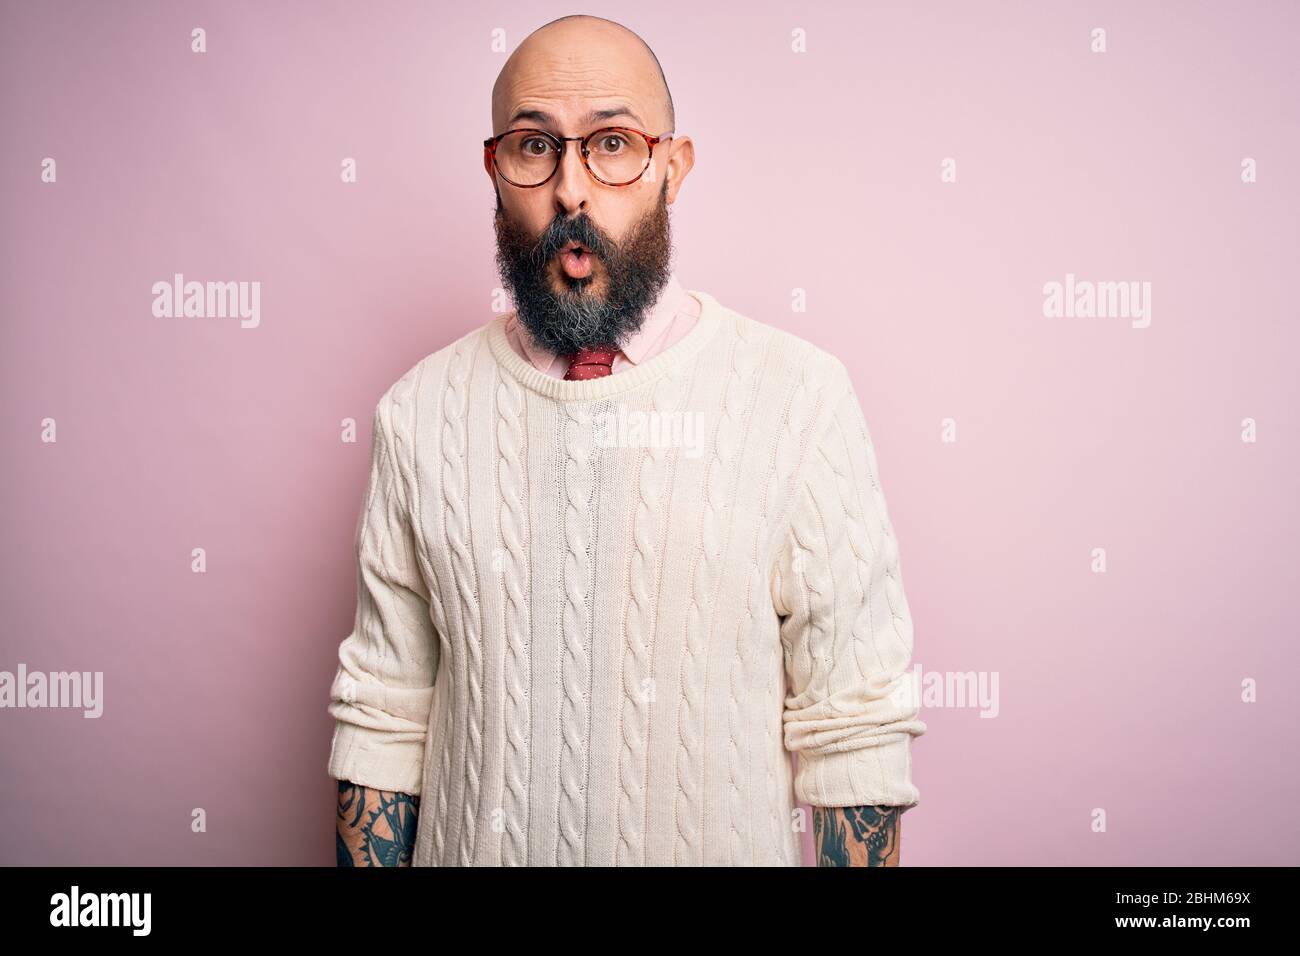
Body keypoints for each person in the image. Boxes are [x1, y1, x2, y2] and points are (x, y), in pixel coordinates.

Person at [329, 13, 925, 867]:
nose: (572, 188)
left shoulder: (799, 399)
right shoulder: (418, 414)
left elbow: (854, 729)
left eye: (612, 143)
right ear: (495, 171)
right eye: (536, 147)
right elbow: (384, 721)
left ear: (671, 169)